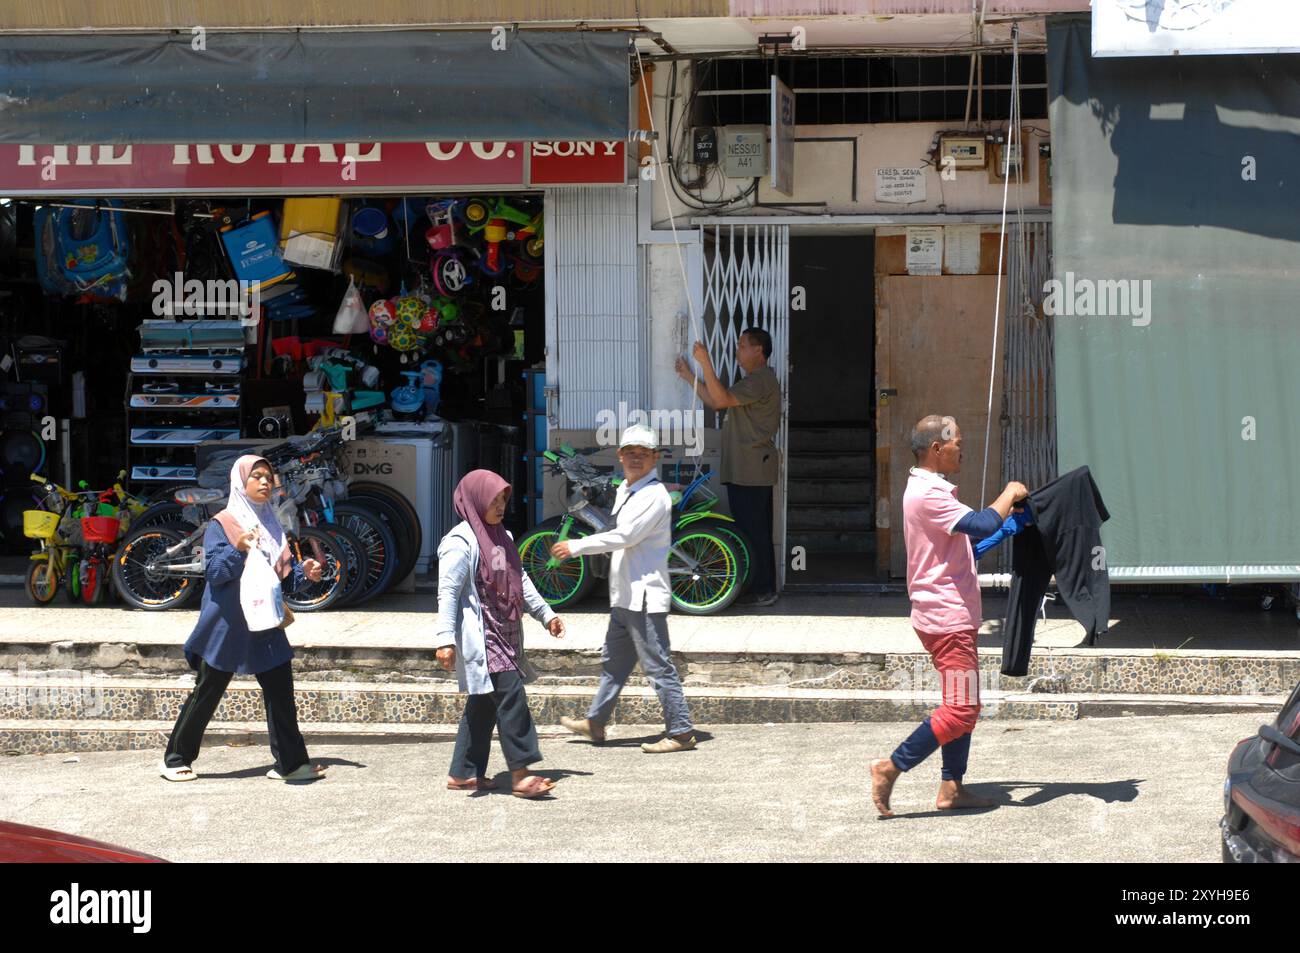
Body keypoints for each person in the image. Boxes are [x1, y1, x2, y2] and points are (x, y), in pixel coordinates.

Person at [869, 415, 1028, 818]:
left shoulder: (929, 490)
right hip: (947, 620)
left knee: (962, 704)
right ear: (937, 448)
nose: (962, 447)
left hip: (947, 615)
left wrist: (1008, 528)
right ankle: (891, 767)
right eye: (956, 441)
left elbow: (966, 548)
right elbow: (980, 521)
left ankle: (951, 788)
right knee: (961, 710)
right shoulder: (928, 494)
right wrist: (1009, 493)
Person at [160, 455, 327, 783]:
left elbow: (284, 581)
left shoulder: (273, 525)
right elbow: (216, 573)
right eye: (257, 477)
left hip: (265, 621)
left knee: (280, 691)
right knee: (207, 691)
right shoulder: (223, 523)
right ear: (241, 483)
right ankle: (175, 758)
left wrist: (306, 575)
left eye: (269, 477)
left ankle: (290, 764)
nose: (265, 482)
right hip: (229, 625)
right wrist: (238, 548)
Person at [551, 424, 697, 753]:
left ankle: (682, 732)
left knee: (658, 665)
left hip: (644, 594)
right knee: (614, 664)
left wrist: (577, 547)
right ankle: (596, 723)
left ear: (654, 458)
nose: (635, 458)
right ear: (619, 455)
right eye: (630, 452)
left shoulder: (653, 496)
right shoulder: (627, 490)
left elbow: (626, 537)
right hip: (625, 595)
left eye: (642, 453)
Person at [435, 470, 566, 799]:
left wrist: (546, 614)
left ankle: (463, 773)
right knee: (511, 697)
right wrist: (444, 639)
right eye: (493, 499)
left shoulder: (502, 536)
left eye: (503, 499)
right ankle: (521, 773)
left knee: (483, 705)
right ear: (475, 500)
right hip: (484, 638)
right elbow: (448, 592)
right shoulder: (459, 543)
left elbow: (520, 582)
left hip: (508, 634)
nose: (500, 505)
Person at [676, 328, 780, 607]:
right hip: (744, 468)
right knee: (749, 529)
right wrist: (689, 376)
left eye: (742, 346)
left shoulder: (761, 380)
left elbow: (720, 400)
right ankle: (757, 585)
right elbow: (716, 401)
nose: (737, 351)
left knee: (754, 531)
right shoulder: (751, 382)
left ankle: (765, 588)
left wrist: (705, 363)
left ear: (758, 351)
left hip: (753, 470)